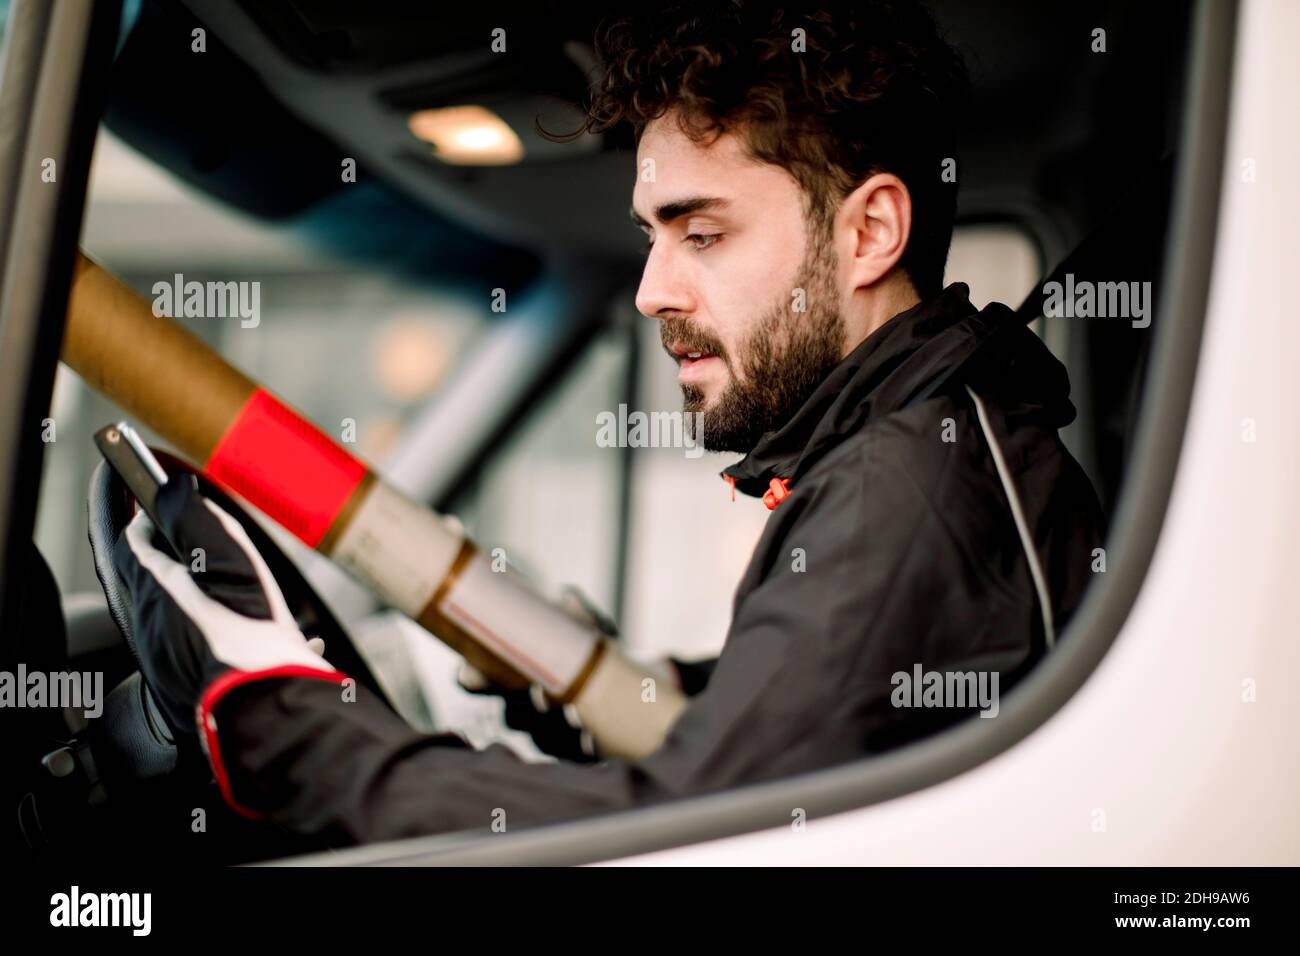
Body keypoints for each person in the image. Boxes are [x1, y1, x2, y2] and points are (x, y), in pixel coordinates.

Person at [112, 0, 1105, 845]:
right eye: (650, 237)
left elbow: (685, 837)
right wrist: (632, 692)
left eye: (701, 233)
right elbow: (838, 707)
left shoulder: (903, 490)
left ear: (868, 233)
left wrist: (284, 727)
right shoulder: (927, 443)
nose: (649, 291)